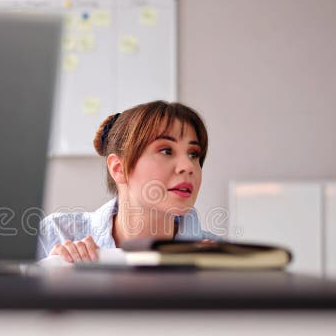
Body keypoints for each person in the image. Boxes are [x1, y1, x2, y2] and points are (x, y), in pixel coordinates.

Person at [38, 100, 218, 262]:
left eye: (193, 154)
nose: (188, 166)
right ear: (118, 168)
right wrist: (51, 271)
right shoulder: (56, 234)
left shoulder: (222, 257)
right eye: (166, 151)